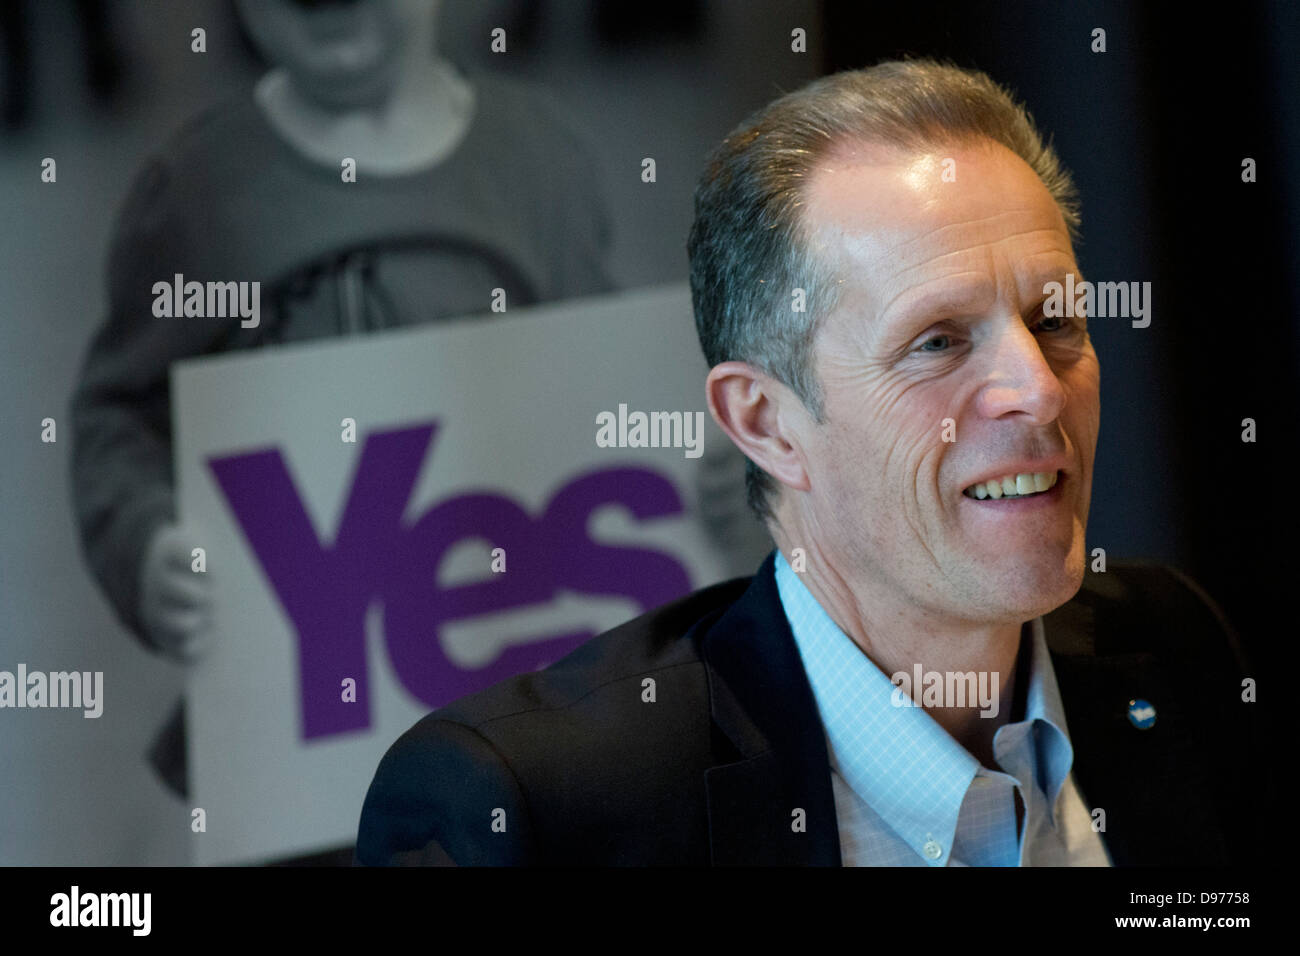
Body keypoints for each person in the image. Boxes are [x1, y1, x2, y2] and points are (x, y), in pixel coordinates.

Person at [354, 58, 1267, 866]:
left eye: (1054, 319)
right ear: (766, 423)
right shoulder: (530, 808)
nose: (1036, 389)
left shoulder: (1172, 649)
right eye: (939, 341)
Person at [68, 0, 614, 803]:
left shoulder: (541, 162)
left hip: (510, 714)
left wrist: (702, 475)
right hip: (294, 743)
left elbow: (604, 389)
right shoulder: (194, 194)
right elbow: (120, 417)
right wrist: (145, 543)